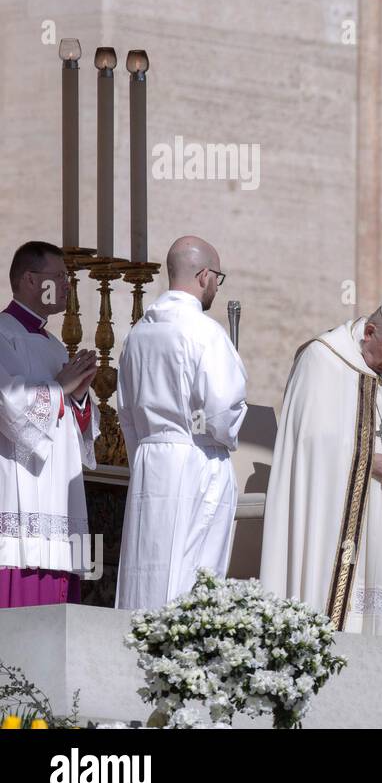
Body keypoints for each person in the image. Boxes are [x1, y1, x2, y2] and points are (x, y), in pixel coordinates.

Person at [260, 302, 382, 638]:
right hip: (337, 502)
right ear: (369, 332)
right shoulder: (323, 358)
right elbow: (310, 443)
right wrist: (370, 461)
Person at [116, 236, 248, 609]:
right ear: (205, 275)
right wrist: (227, 433)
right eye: (217, 278)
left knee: (147, 566)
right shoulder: (205, 332)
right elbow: (221, 412)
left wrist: (144, 450)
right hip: (196, 460)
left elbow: (126, 411)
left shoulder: (137, 334)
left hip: (150, 460)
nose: (216, 287)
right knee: (191, 570)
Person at [0, 241, 97, 607]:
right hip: (21, 483)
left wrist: (80, 396)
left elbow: (72, 422)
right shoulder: (3, 335)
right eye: (58, 277)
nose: (67, 286)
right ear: (30, 279)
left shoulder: (55, 345)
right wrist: (60, 388)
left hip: (59, 490)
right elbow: (8, 403)